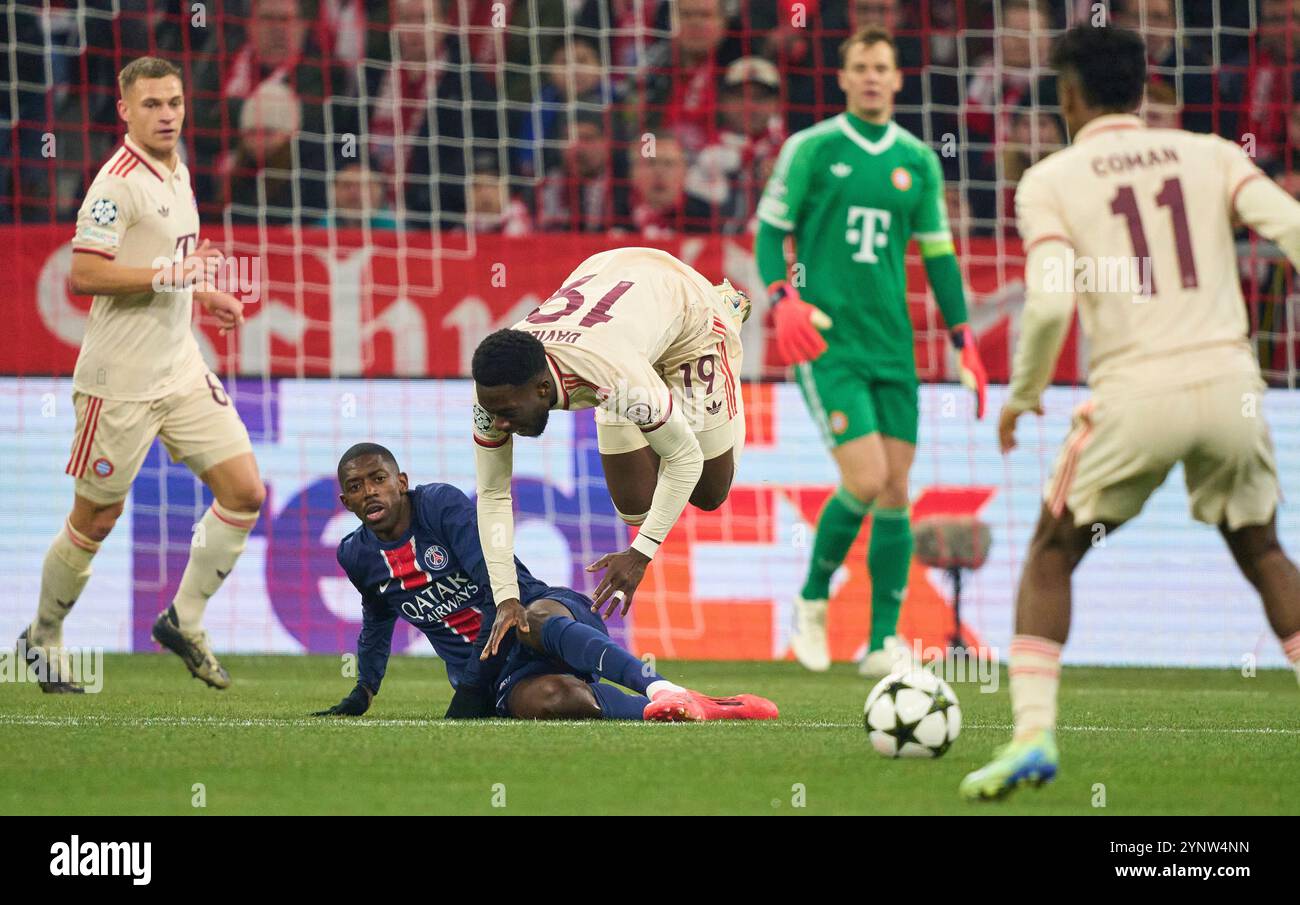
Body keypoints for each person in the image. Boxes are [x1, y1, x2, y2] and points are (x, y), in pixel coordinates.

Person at [961, 24, 1300, 801]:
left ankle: (1032, 735)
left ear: (1068, 95)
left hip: (1134, 392)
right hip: (1230, 383)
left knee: (1052, 547)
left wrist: (1022, 395)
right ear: (1144, 89)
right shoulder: (1211, 153)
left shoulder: (1051, 179)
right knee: (1262, 548)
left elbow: (1048, 308)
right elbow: (1290, 226)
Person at [18, 57, 265, 692]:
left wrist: (202, 295)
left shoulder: (178, 172)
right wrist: (170, 277)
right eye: (152, 104)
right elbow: (84, 273)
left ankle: (183, 618)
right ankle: (42, 636)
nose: (166, 114)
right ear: (124, 110)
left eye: (175, 102)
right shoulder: (116, 184)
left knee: (245, 492)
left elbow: (170, 260)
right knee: (95, 520)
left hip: (179, 367)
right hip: (118, 383)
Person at [754, 26, 987, 678]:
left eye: (883, 66)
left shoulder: (917, 160)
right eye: (861, 66)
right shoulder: (812, 149)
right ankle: (810, 600)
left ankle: (882, 639)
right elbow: (770, 236)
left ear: (898, 76)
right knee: (864, 476)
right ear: (845, 76)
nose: (873, 77)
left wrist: (963, 336)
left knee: (895, 490)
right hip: (828, 342)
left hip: (894, 345)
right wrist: (782, 298)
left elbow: (938, 256)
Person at [319, 443, 777, 721]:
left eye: (378, 479)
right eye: (356, 487)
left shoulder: (439, 505)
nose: (370, 491)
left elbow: (493, 591)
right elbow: (377, 620)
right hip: (505, 672)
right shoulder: (356, 555)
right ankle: (701, 707)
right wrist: (364, 689)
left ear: (400, 481)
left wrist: (472, 689)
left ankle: (658, 687)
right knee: (558, 701)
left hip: (542, 615)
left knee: (526, 617)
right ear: (346, 500)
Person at [471, 247, 749, 620]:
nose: (500, 424)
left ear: (541, 390)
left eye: (507, 414)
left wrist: (640, 554)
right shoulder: (493, 392)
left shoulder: (613, 378)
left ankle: (723, 305)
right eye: (494, 413)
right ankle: (652, 401)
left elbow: (686, 458)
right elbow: (492, 493)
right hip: (610, 294)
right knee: (635, 507)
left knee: (708, 492)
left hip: (688, 317)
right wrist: (506, 597)